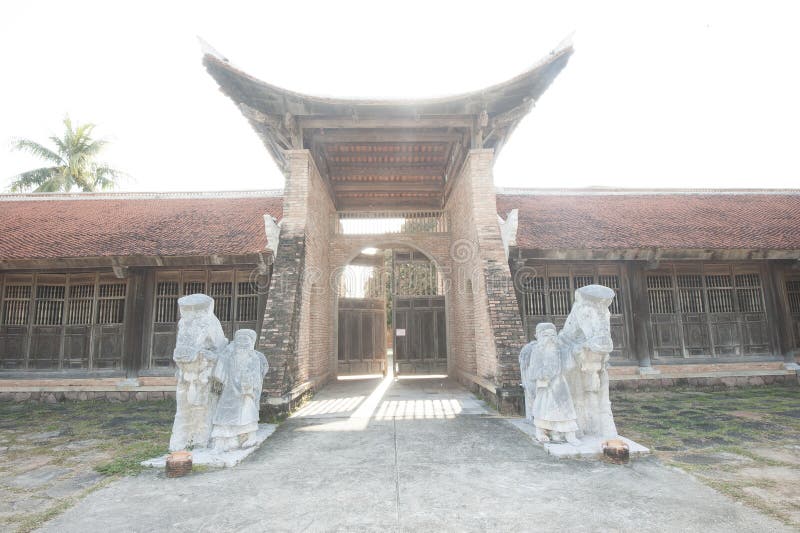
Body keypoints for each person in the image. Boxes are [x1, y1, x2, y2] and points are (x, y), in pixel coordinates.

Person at [169, 294, 227, 451]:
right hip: (185, 374)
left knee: (202, 408)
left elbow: (220, 349)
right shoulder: (183, 323)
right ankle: (181, 440)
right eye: (187, 309)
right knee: (183, 409)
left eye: (196, 309)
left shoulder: (210, 323)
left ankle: (200, 440)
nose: (191, 313)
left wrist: (206, 357)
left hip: (203, 374)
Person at [211, 329, 269, 451]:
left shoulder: (255, 358)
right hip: (229, 392)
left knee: (247, 414)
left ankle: (248, 437)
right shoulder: (229, 356)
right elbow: (219, 374)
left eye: (245, 339)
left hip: (245, 393)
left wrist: (249, 384)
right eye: (239, 339)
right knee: (225, 415)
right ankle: (227, 439)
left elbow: (258, 375)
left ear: (251, 342)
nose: (242, 342)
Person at [529, 322, 580, 445]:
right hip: (545, 387)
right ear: (538, 336)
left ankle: (569, 434)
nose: (550, 338)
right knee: (544, 410)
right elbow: (532, 371)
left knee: (565, 410)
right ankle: (541, 431)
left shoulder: (560, 350)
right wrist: (542, 374)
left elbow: (569, 366)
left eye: (552, 334)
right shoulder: (537, 351)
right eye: (545, 335)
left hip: (560, 385)